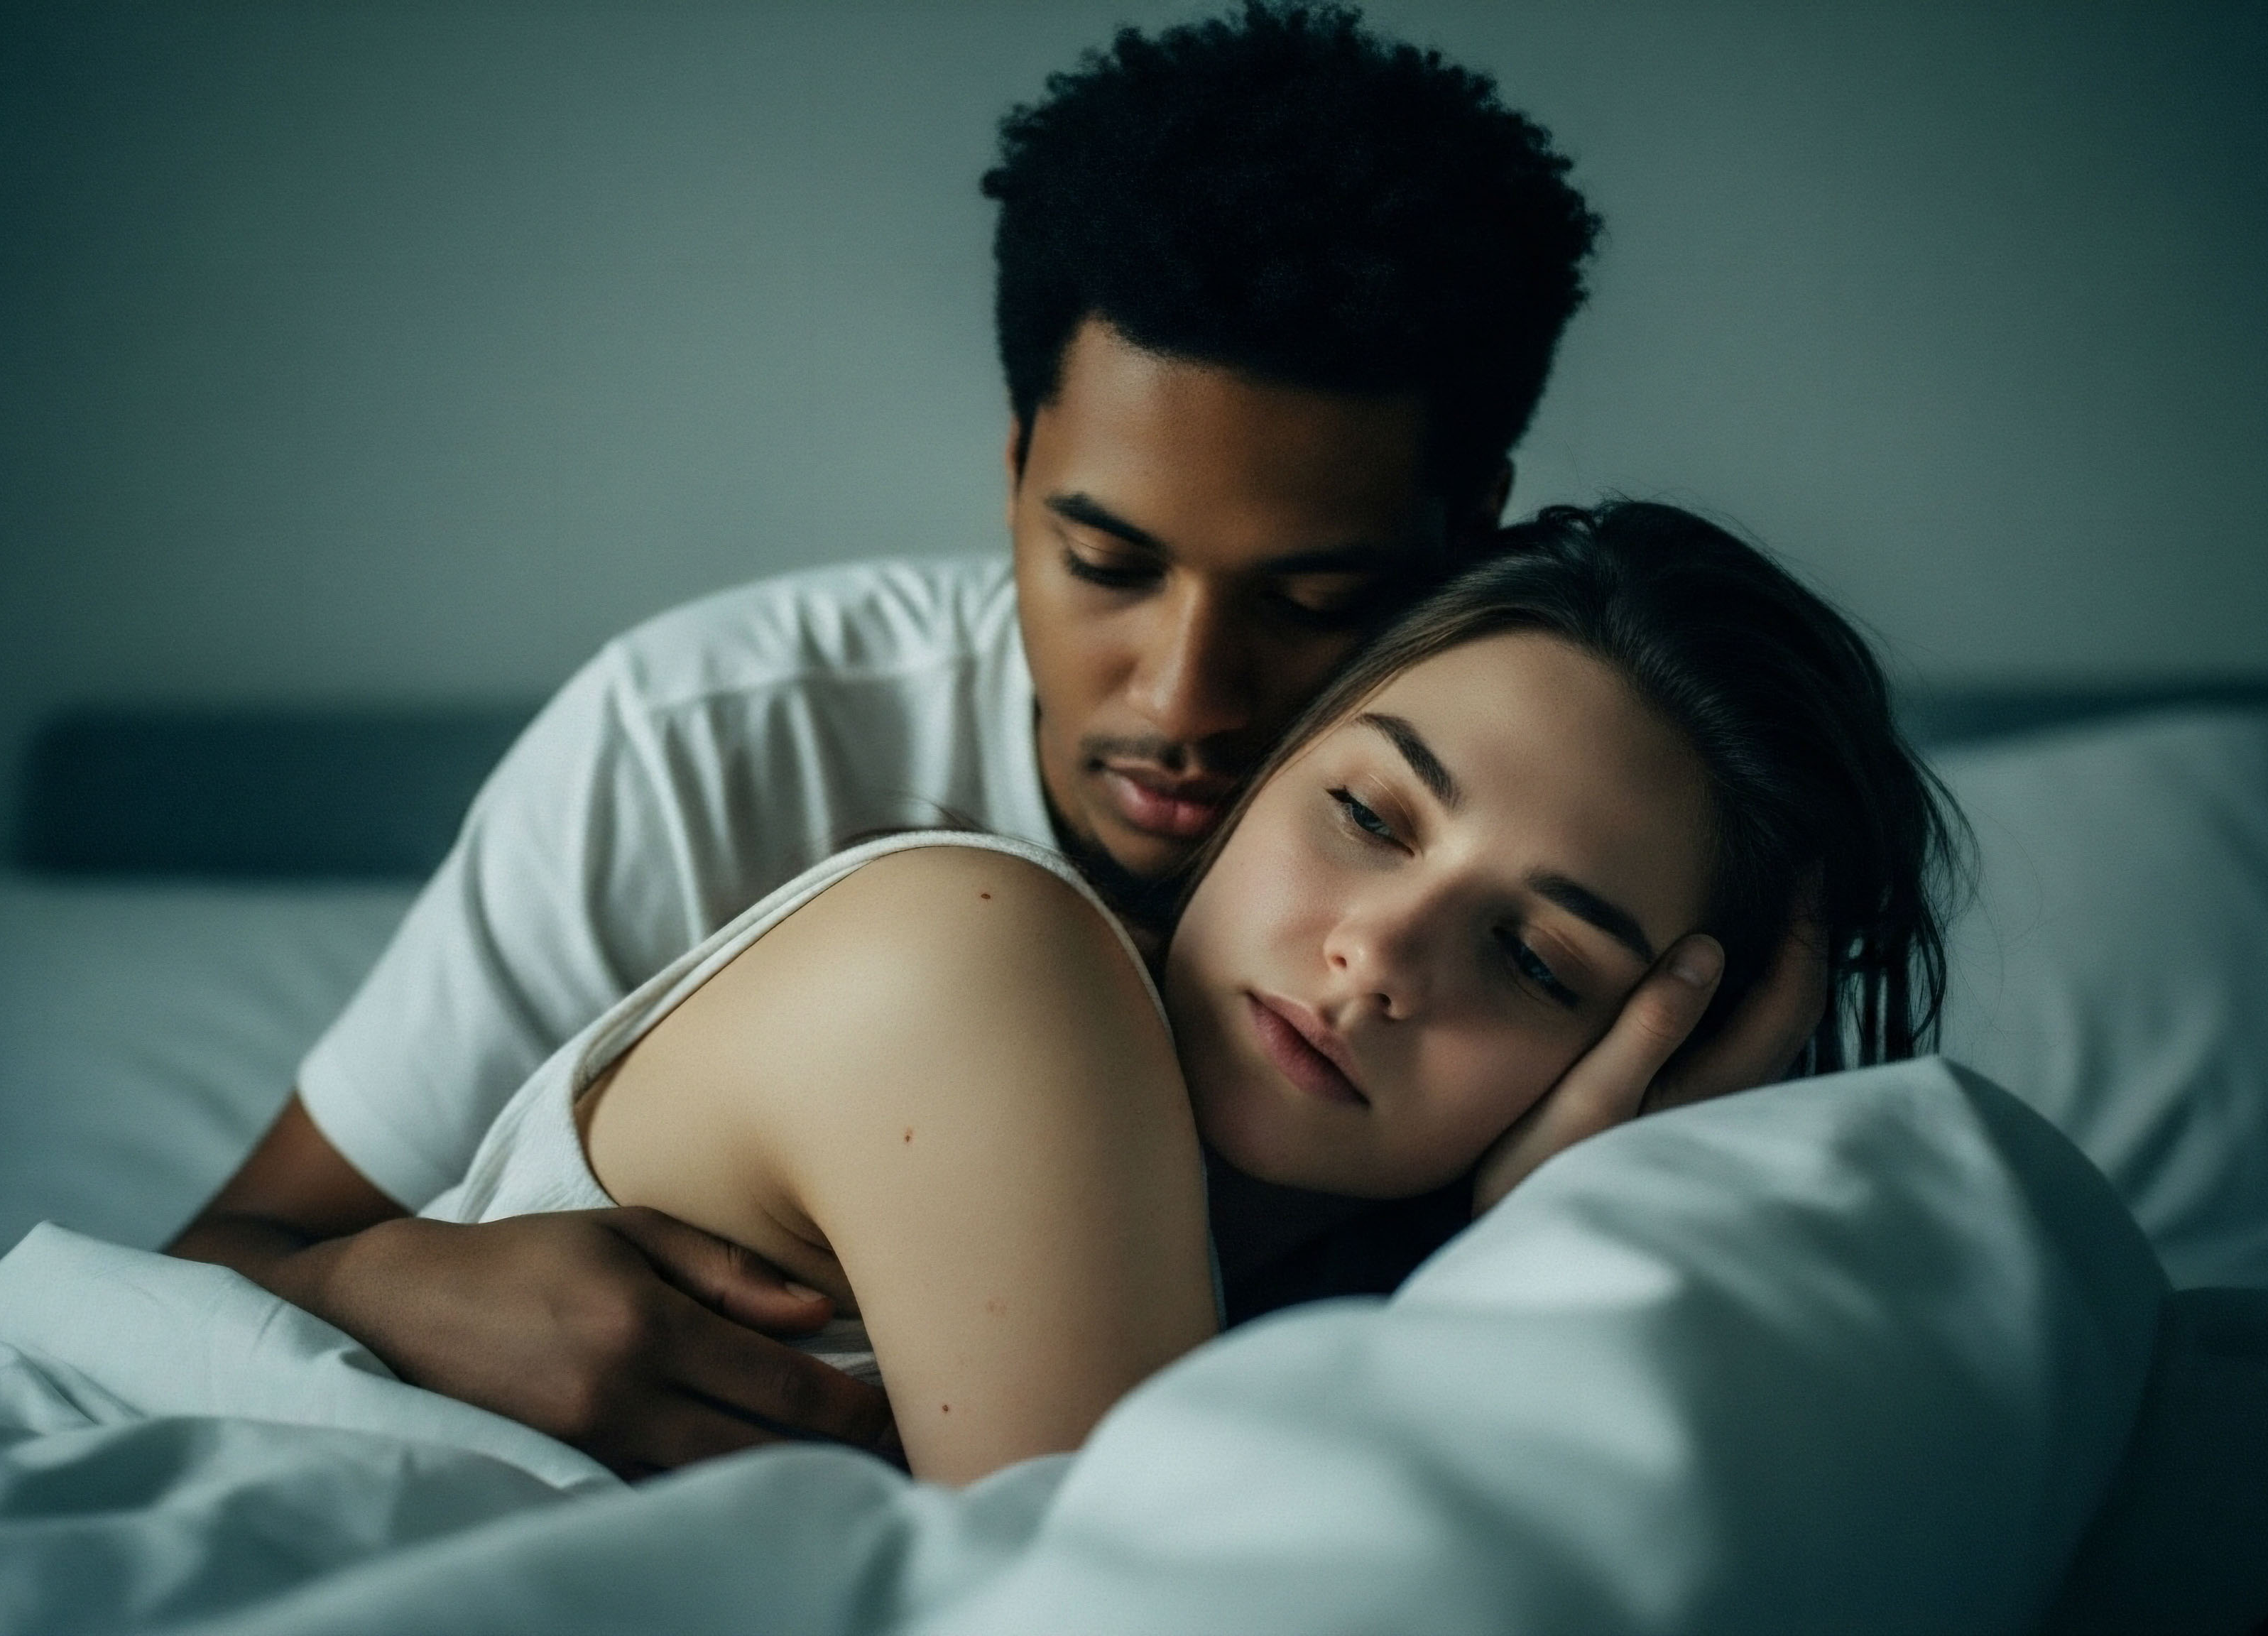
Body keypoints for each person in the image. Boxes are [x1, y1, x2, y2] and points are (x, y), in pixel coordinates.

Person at [168, 4, 1822, 1476]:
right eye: (1106, 565)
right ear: (1017, 466)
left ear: (1460, 552)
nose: (1182, 702)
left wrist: (1577, 1234)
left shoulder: (1532, 824)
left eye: (1317, 600)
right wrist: (375, 1287)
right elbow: (199, 1269)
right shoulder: (710, 743)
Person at [420, 503, 1960, 1484]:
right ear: (1270, 765)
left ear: (1652, 1058)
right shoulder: (989, 961)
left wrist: (1604, 1216)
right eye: (1367, 813)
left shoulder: (1336, 1323)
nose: (1378, 959)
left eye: (1538, 959)